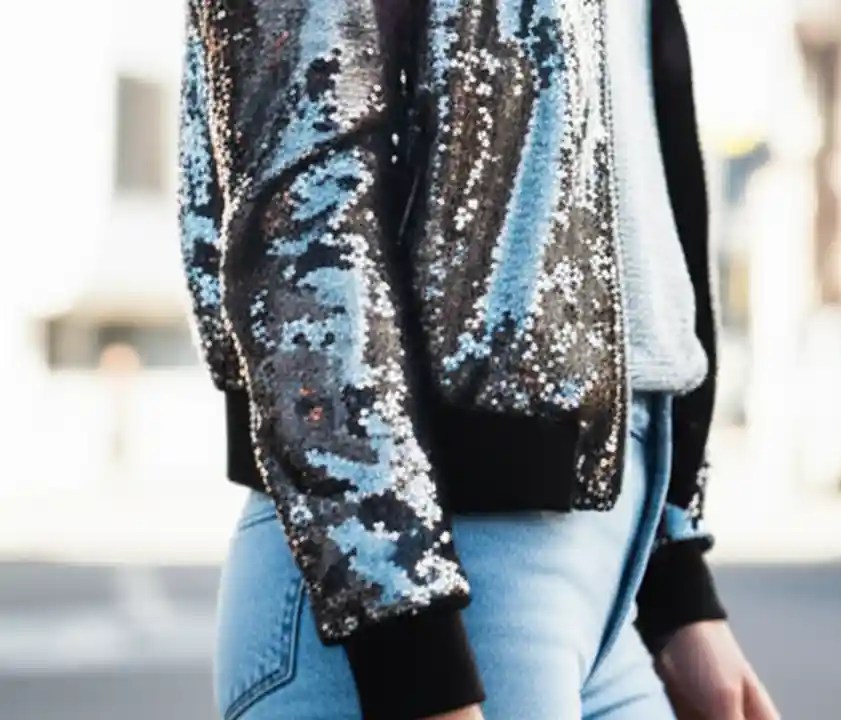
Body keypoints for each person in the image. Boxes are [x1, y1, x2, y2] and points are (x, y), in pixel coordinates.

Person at [179, 1, 779, 719]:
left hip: (615, 587)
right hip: (402, 585)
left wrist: (674, 584)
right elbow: (302, 219)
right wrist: (411, 652)